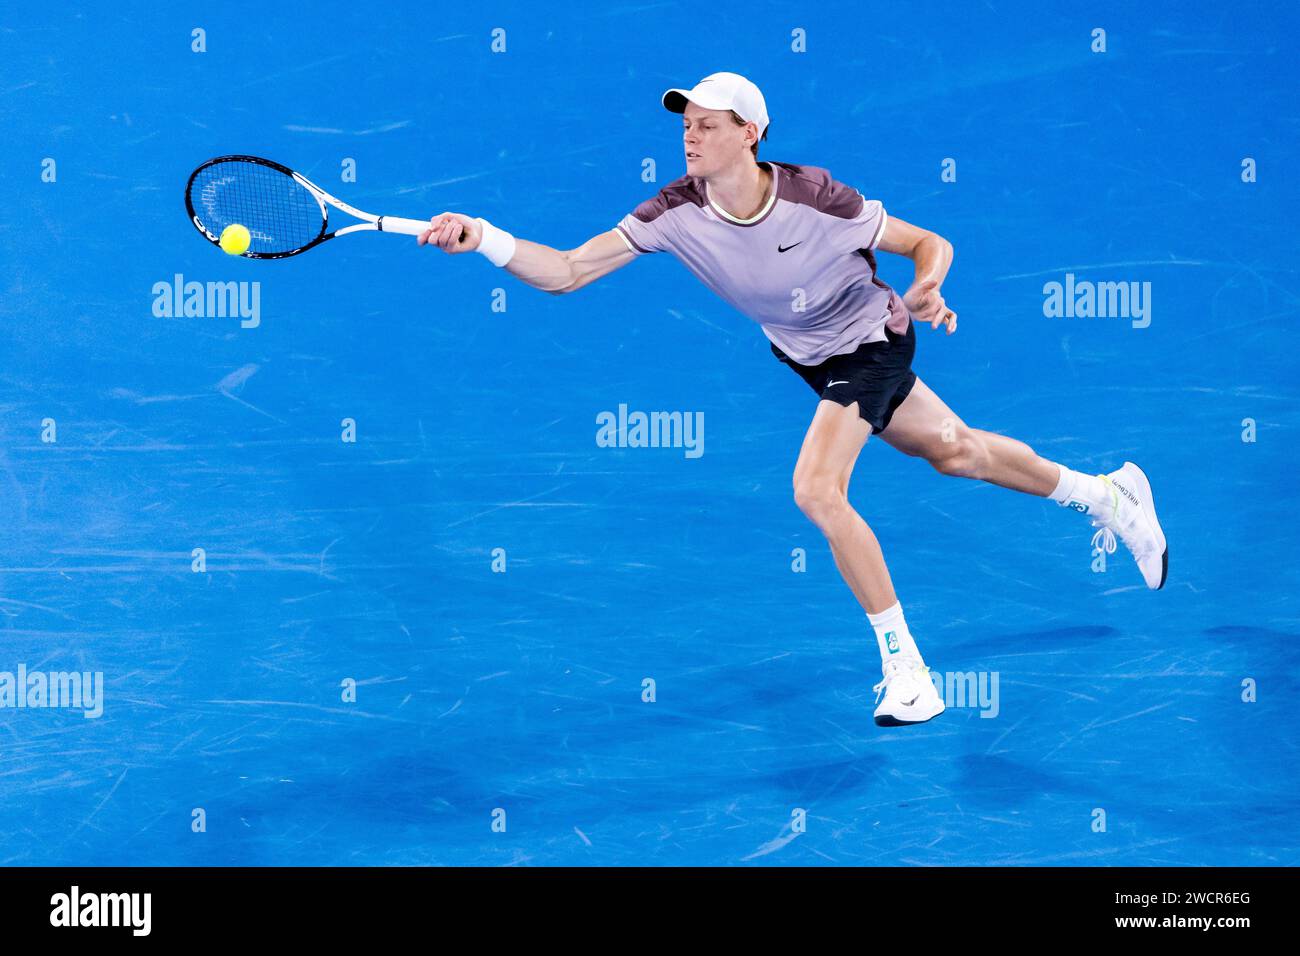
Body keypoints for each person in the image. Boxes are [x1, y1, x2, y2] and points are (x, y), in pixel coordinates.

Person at [417, 71, 1168, 727]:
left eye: (708, 126)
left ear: (751, 134)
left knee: (816, 489)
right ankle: (1107, 496)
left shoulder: (818, 197)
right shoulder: (672, 212)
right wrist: (483, 236)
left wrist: (929, 284)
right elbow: (569, 271)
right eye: (686, 126)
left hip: (872, 338)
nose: (692, 138)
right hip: (810, 356)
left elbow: (925, 240)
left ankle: (909, 673)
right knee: (955, 451)